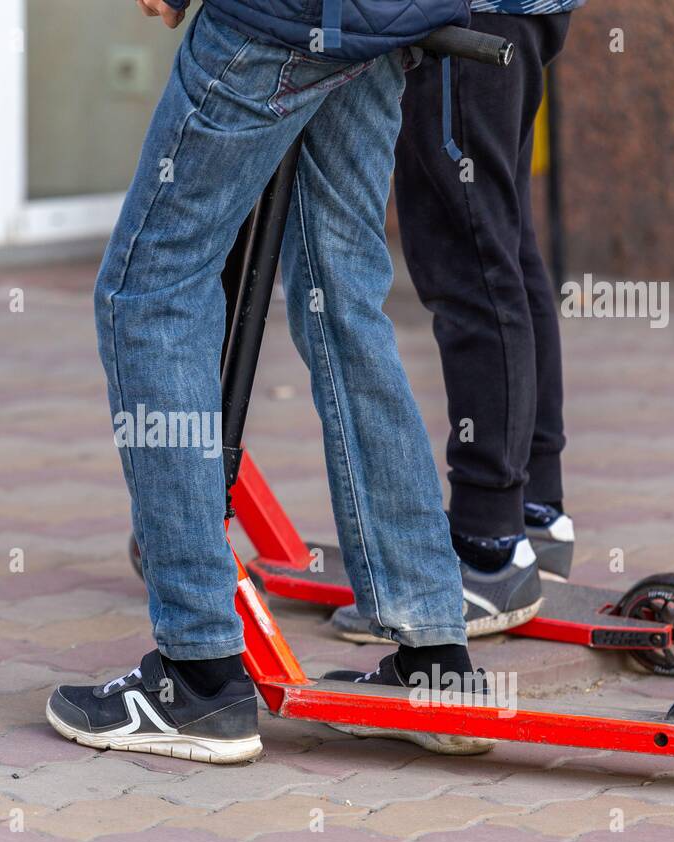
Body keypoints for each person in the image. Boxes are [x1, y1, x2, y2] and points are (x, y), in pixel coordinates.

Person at [46, 0, 492, 765]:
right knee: (341, 295)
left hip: (281, 20)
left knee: (149, 290)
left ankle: (199, 674)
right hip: (386, 21)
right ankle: (434, 661)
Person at [332, 0, 585, 644]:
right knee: (503, 248)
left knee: (469, 263)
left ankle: (488, 547)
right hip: (519, 15)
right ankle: (533, 515)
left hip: (466, 19)